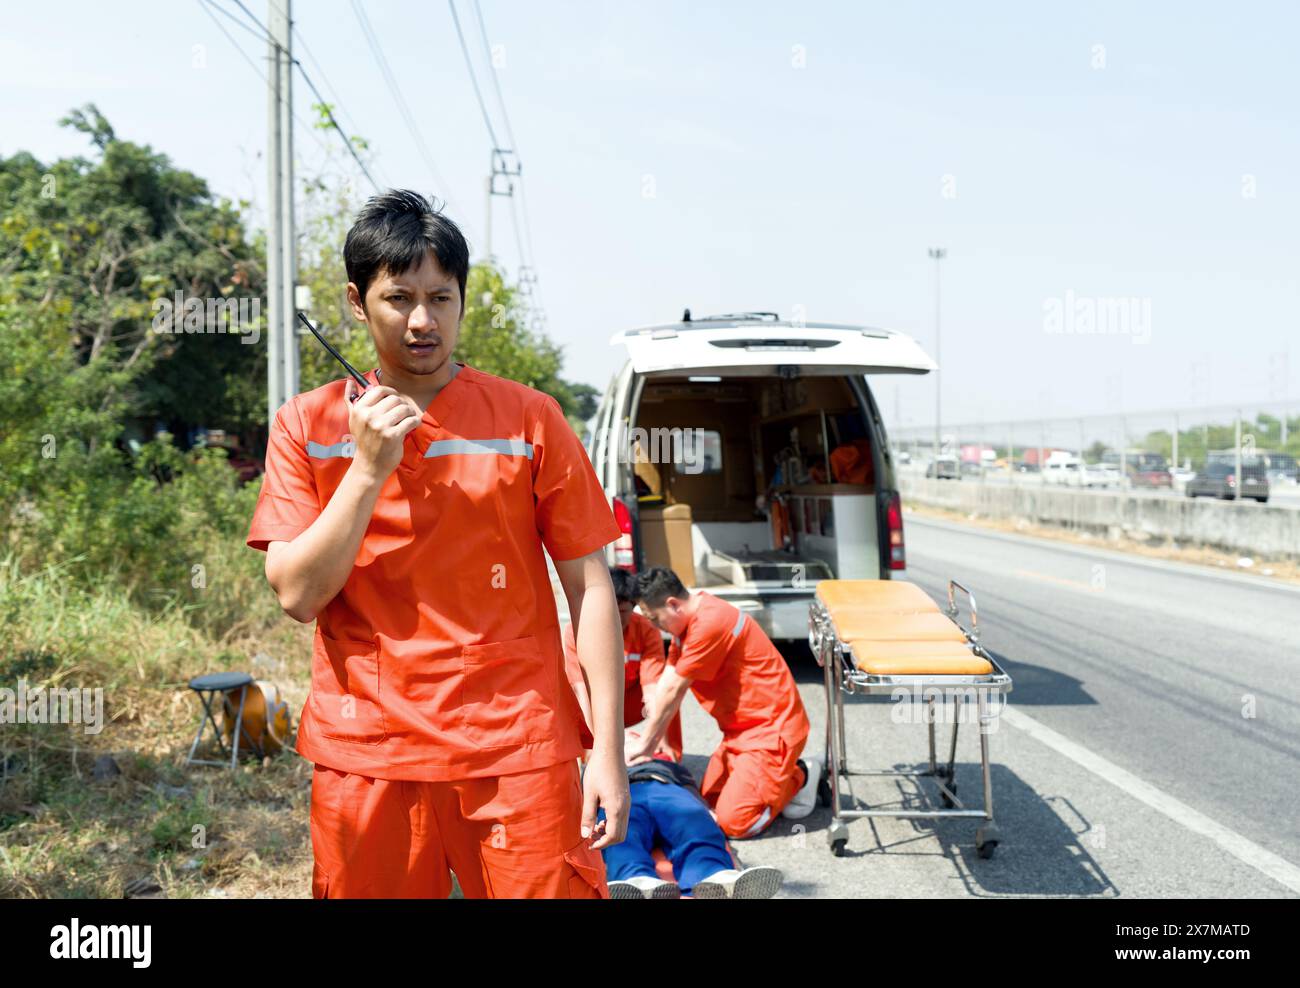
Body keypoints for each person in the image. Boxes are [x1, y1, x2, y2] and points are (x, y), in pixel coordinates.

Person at [246, 189, 629, 898]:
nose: (422, 321)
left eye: (440, 298)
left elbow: (590, 587)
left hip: (516, 745)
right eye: (399, 299)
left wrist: (610, 749)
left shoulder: (529, 418)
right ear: (357, 303)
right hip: (369, 750)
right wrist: (367, 469)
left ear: (461, 300)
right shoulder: (307, 424)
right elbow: (298, 594)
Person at [626, 567, 820, 839]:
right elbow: (665, 683)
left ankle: (801, 775)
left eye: (654, 619)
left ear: (673, 604)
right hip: (739, 733)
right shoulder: (685, 627)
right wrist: (654, 740)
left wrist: (646, 745)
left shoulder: (709, 623)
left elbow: (673, 690)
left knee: (734, 824)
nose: (655, 626)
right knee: (707, 802)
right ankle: (778, 777)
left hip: (771, 731)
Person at [598, 744, 785, 900]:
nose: (627, 740)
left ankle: (715, 876)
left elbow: (688, 786)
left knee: (694, 826)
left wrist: (703, 809)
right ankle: (636, 882)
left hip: (666, 786)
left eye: (631, 737)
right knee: (620, 834)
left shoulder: (663, 760)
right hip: (620, 793)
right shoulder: (599, 762)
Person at [562, 567, 684, 762]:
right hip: (596, 703)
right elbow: (581, 690)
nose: (616, 617)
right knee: (568, 698)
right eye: (611, 610)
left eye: (623, 611)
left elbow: (651, 687)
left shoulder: (646, 629)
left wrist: (655, 738)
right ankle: (584, 756)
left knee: (668, 693)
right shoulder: (576, 631)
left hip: (631, 702)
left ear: (634, 607)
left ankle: (667, 752)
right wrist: (594, 748)